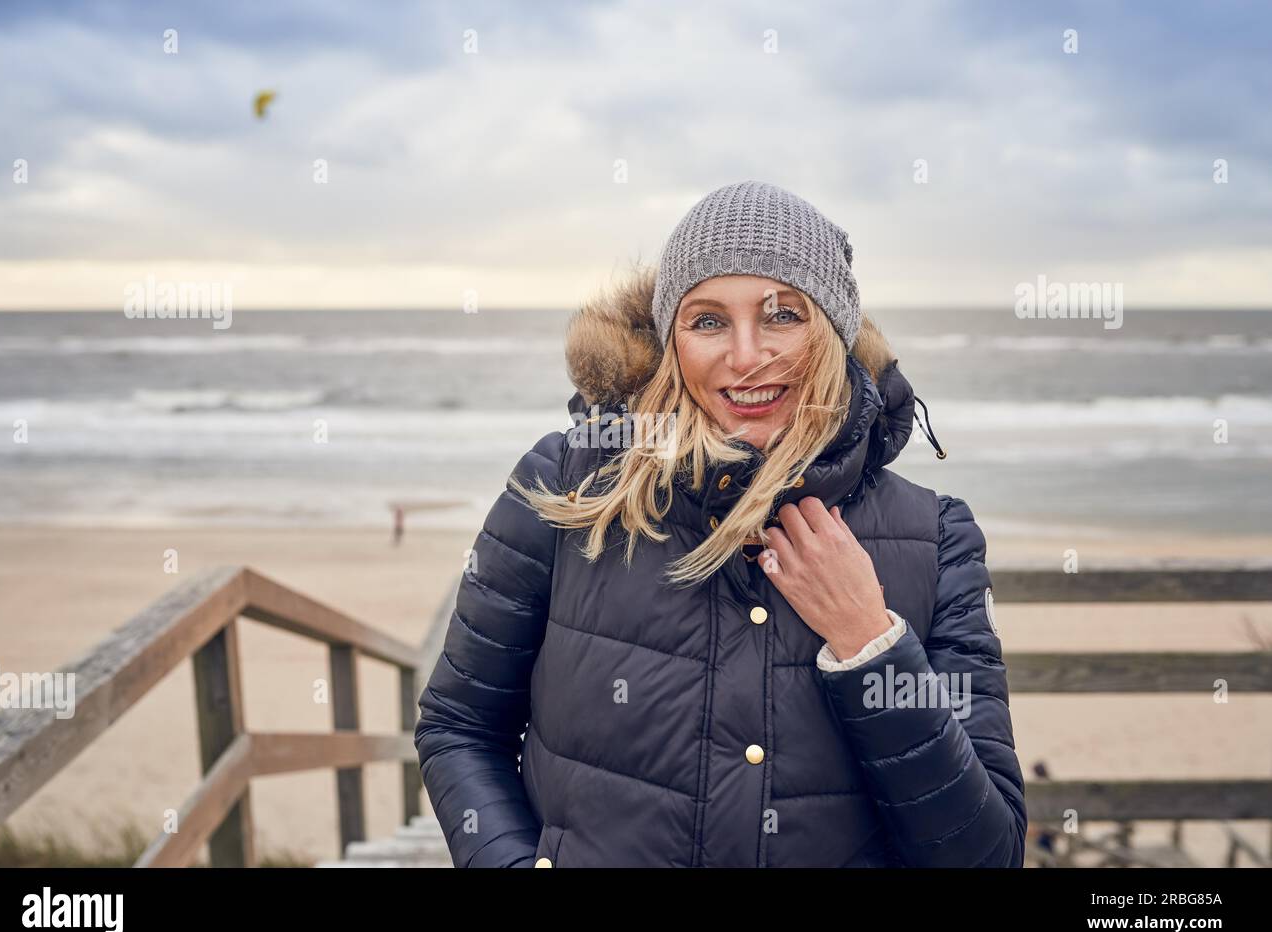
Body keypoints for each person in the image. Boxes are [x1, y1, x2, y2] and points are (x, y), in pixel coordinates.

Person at [414, 180, 1026, 867]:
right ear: (672, 339)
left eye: (782, 315)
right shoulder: (565, 487)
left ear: (832, 329)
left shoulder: (936, 537)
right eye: (707, 320)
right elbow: (459, 725)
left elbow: (985, 852)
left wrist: (870, 642)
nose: (745, 355)